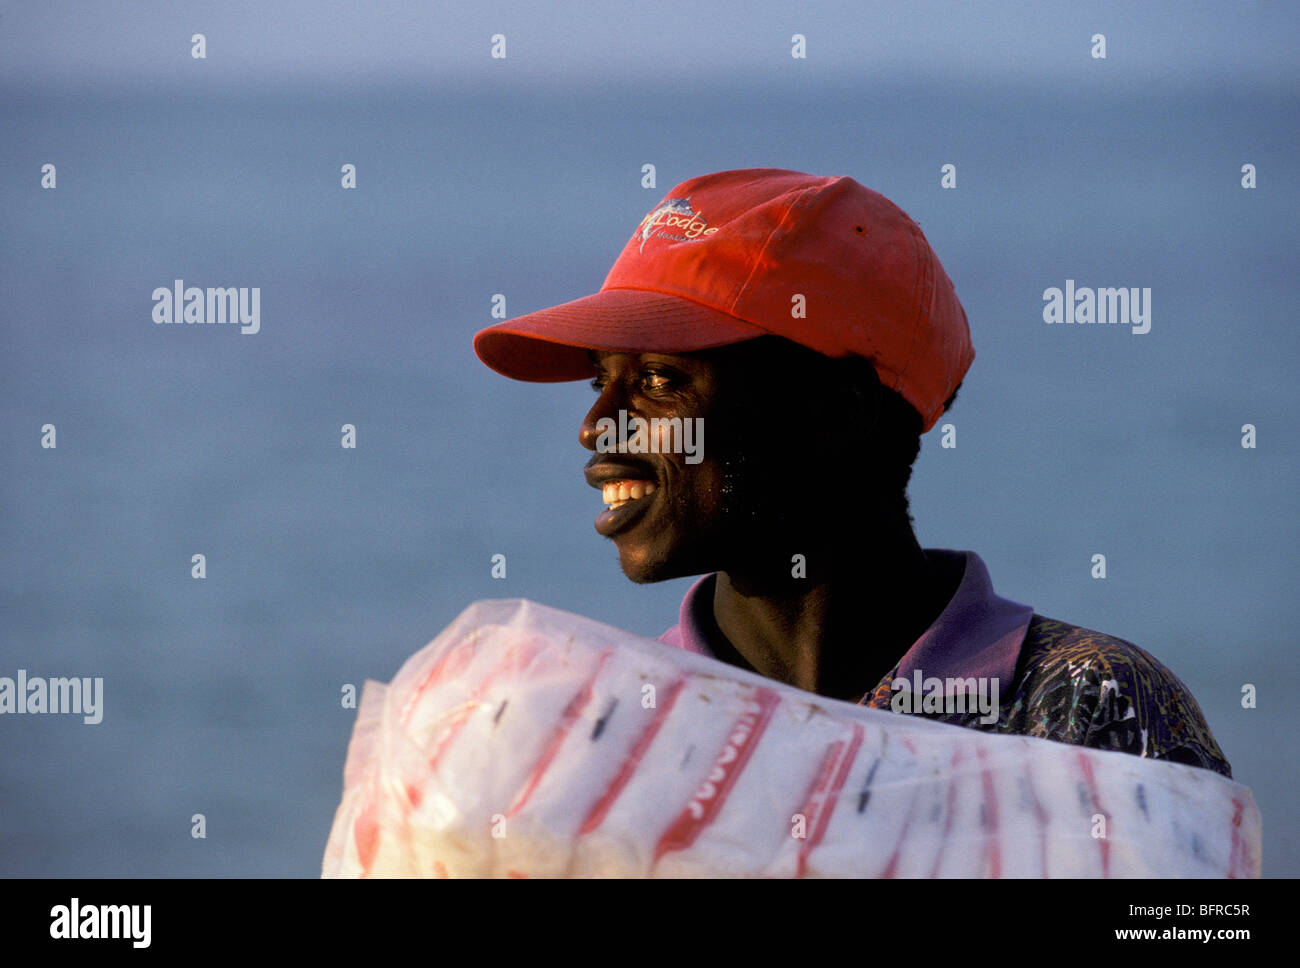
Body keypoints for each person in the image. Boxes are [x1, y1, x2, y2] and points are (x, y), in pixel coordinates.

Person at [473, 167, 1231, 778]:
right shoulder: (603, 733)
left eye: (661, 380)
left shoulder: (1086, 712)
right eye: (599, 378)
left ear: (834, 415)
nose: (595, 423)